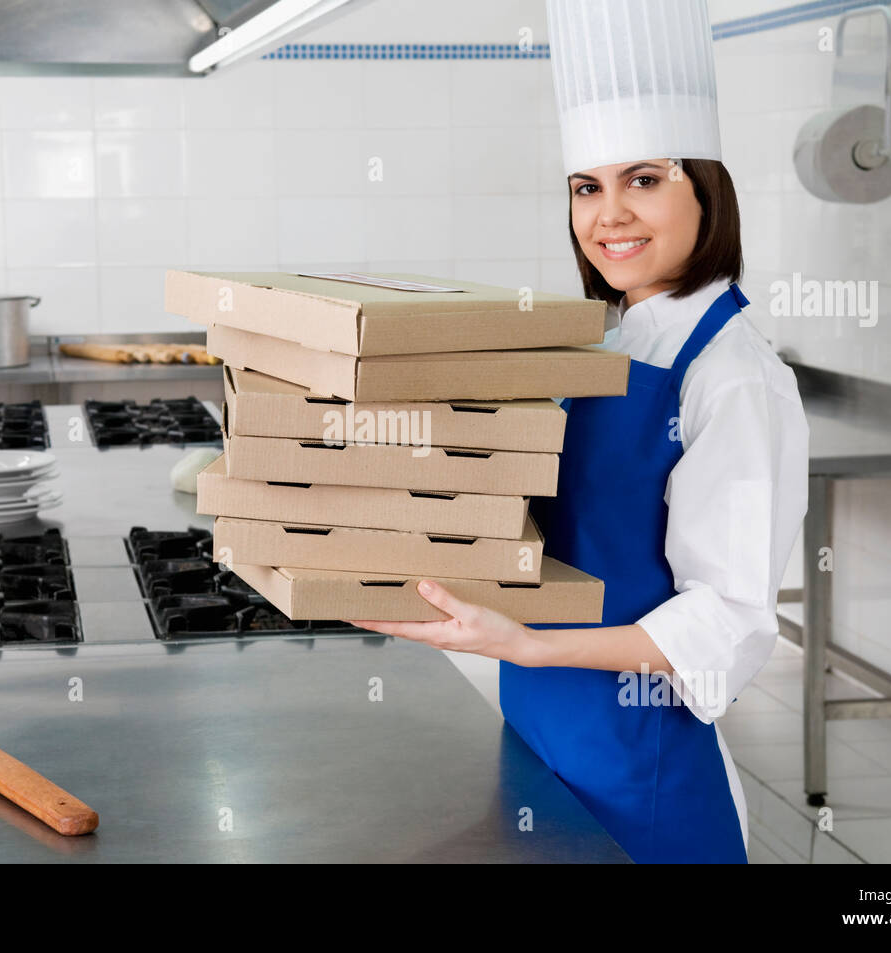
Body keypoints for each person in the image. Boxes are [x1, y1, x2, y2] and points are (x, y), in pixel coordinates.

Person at [347, 0, 809, 863]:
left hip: (641, 773)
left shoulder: (734, 376)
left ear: (707, 190)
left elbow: (729, 620)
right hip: (541, 728)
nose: (609, 215)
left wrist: (526, 642)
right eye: (586, 188)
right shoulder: (611, 341)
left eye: (645, 179)